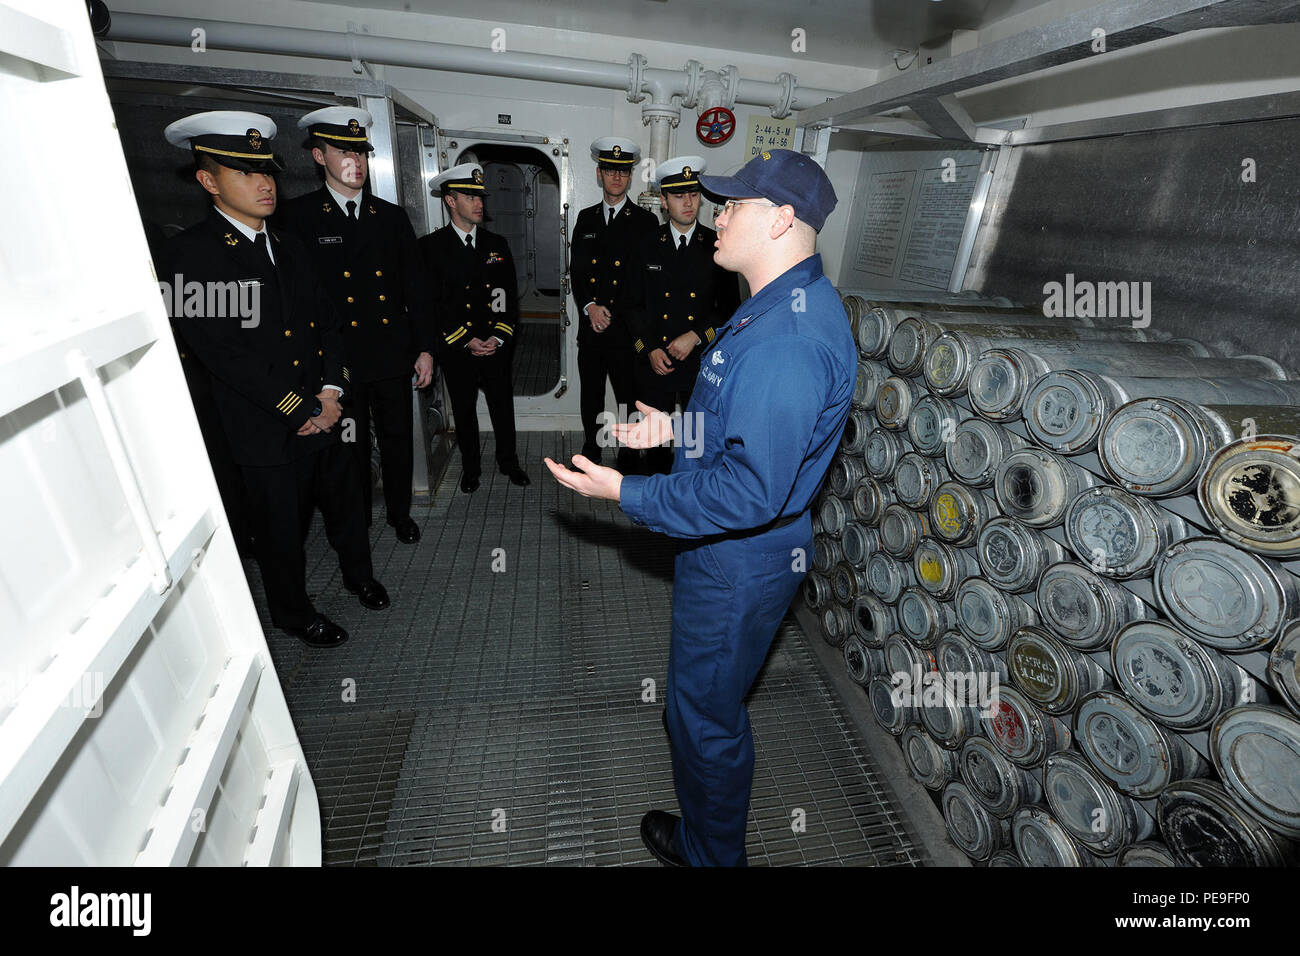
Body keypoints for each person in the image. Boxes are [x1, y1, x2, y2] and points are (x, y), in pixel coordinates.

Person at [545, 149, 855, 866]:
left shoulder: (789, 340)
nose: (719, 214)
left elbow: (751, 488)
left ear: (781, 220)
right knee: (699, 705)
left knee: (704, 720)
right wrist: (678, 428)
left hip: (738, 558)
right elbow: (748, 426)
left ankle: (710, 854)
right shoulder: (780, 302)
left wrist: (626, 490)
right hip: (737, 549)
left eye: (735, 205)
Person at [165, 111, 390, 648]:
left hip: (326, 410)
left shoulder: (290, 247)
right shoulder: (189, 256)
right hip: (265, 426)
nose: (264, 183)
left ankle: (359, 577)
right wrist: (301, 407)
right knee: (279, 531)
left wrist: (332, 392)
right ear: (207, 180)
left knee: (347, 507)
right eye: (245, 173)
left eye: (266, 170)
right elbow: (222, 353)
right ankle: (292, 611)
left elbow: (330, 325)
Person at [277, 107, 435, 544]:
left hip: (389, 351)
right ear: (318, 156)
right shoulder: (297, 218)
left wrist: (424, 348)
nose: (356, 162)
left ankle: (399, 513)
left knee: (398, 438)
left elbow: (415, 290)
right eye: (344, 151)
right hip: (337, 361)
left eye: (361, 152)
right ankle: (357, 519)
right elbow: (293, 301)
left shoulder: (391, 217)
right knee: (350, 446)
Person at [625, 156, 740, 474]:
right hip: (655, 362)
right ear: (663, 201)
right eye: (678, 195)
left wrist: (696, 336)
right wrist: (648, 348)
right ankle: (655, 502)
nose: (688, 202)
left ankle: (692, 502)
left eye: (693, 194)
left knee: (696, 442)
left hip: (701, 363)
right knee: (656, 445)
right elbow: (631, 305)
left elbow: (729, 309)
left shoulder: (717, 246)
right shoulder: (646, 245)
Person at [419, 163, 529, 493]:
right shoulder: (430, 247)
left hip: (494, 344)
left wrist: (497, 336)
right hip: (458, 347)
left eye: (479, 196)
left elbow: (507, 297)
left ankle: (509, 462)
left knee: (502, 406)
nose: (479, 203)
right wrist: (466, 339)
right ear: (451, 201)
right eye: (469, 196)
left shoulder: (497, 244)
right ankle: (471, 468)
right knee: (464, 410)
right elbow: (432, 304)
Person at [568, 137, 659, 468]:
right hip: (592, 327)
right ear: (599, 174)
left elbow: (644, 282)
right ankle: (591, 448)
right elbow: (578, 271)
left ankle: (628, 456)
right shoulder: (586, 218)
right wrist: (590, 307)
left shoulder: (645, 222)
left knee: (628, 400)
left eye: (623, 171)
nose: (616, 177)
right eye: (610, 170)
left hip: (625, 330)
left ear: (631, 176)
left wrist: (613, 312)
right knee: (590, 394)